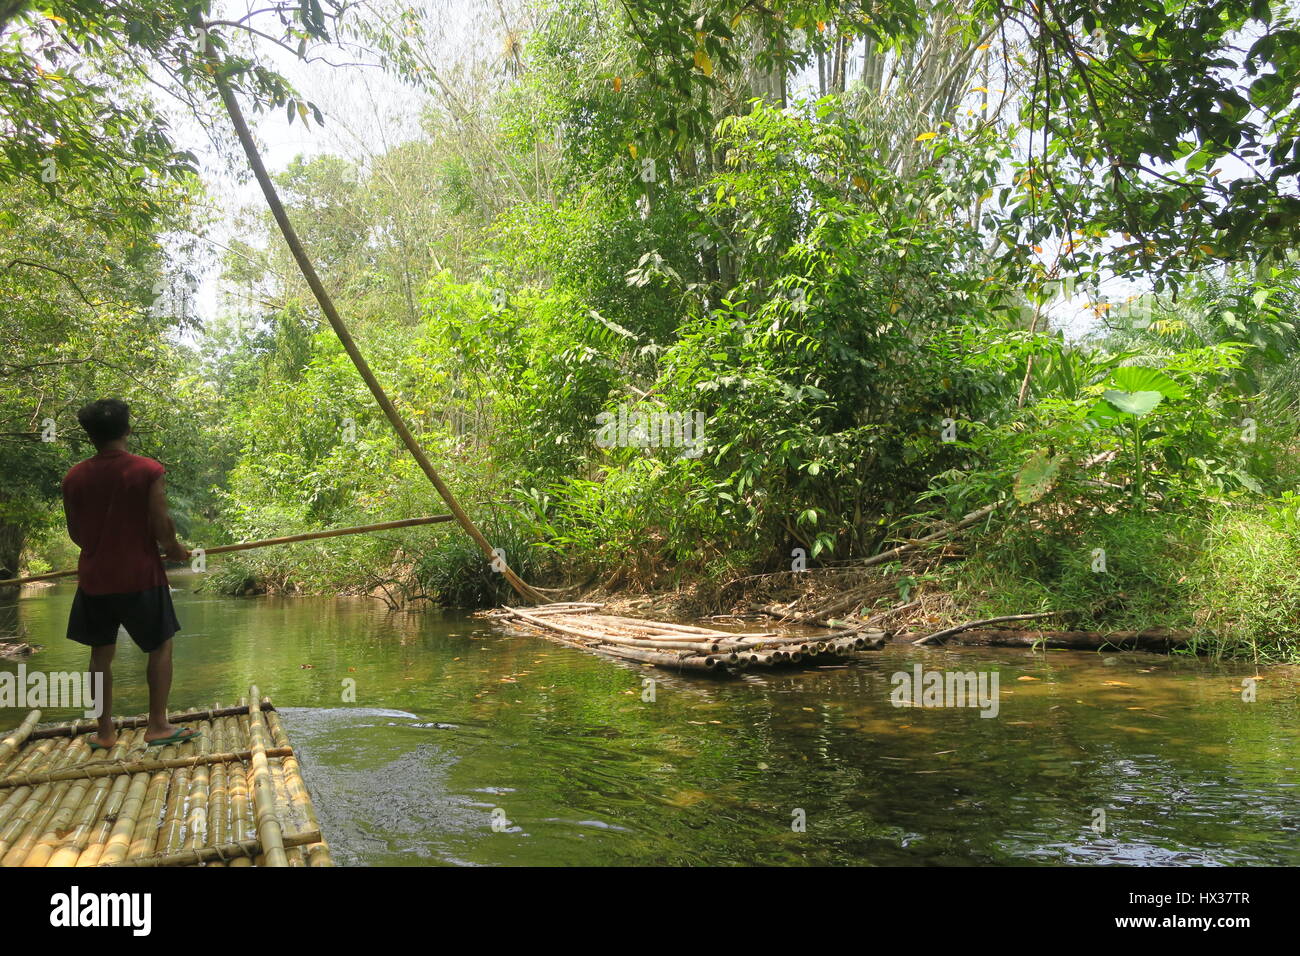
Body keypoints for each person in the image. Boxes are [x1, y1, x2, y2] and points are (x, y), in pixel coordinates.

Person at [62, 398, 198, 750]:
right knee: (161, 646)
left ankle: (104, 732)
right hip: (141, 576)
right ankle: (157, 726)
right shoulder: (147, 470)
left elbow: (75, 533)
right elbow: (160, 522)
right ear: (127, 429)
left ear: (89, 436)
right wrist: (174, 549)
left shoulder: (74, 477)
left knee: (99, 656)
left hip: (94, 579)